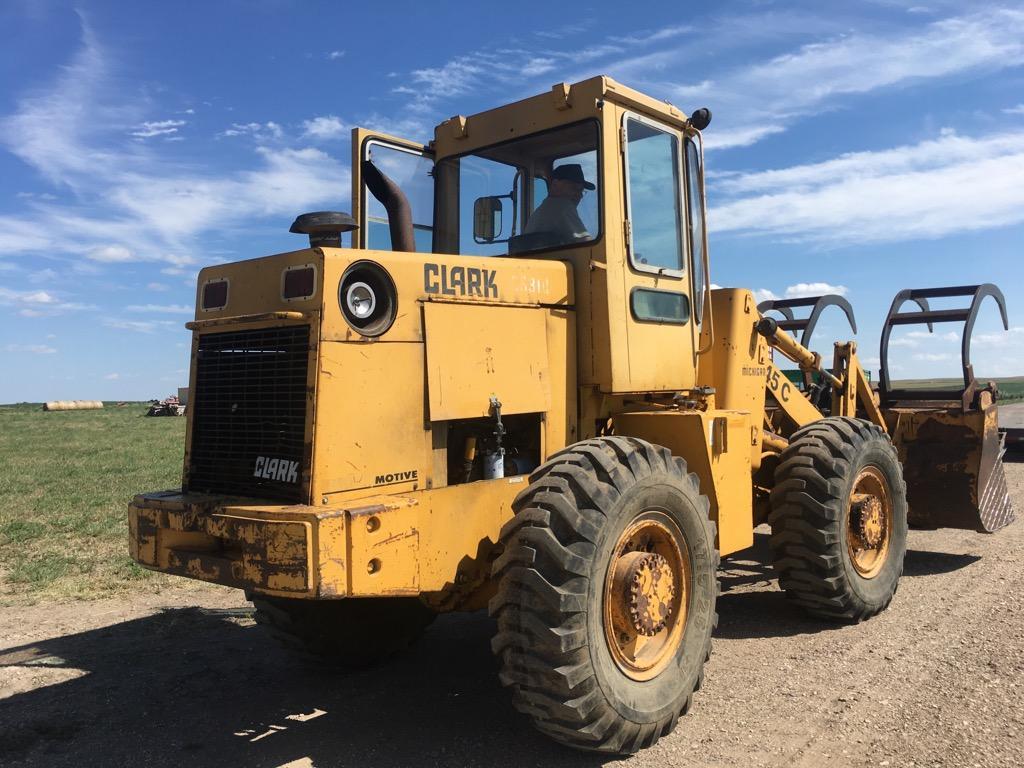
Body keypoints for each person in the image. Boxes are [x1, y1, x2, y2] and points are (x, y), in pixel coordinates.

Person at [523, 163, 595, 245]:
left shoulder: (539, 212)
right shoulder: (562, 206)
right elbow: (587, 244)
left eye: (581, 191)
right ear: (555, 184)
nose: (579, 195)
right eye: (574, 188)